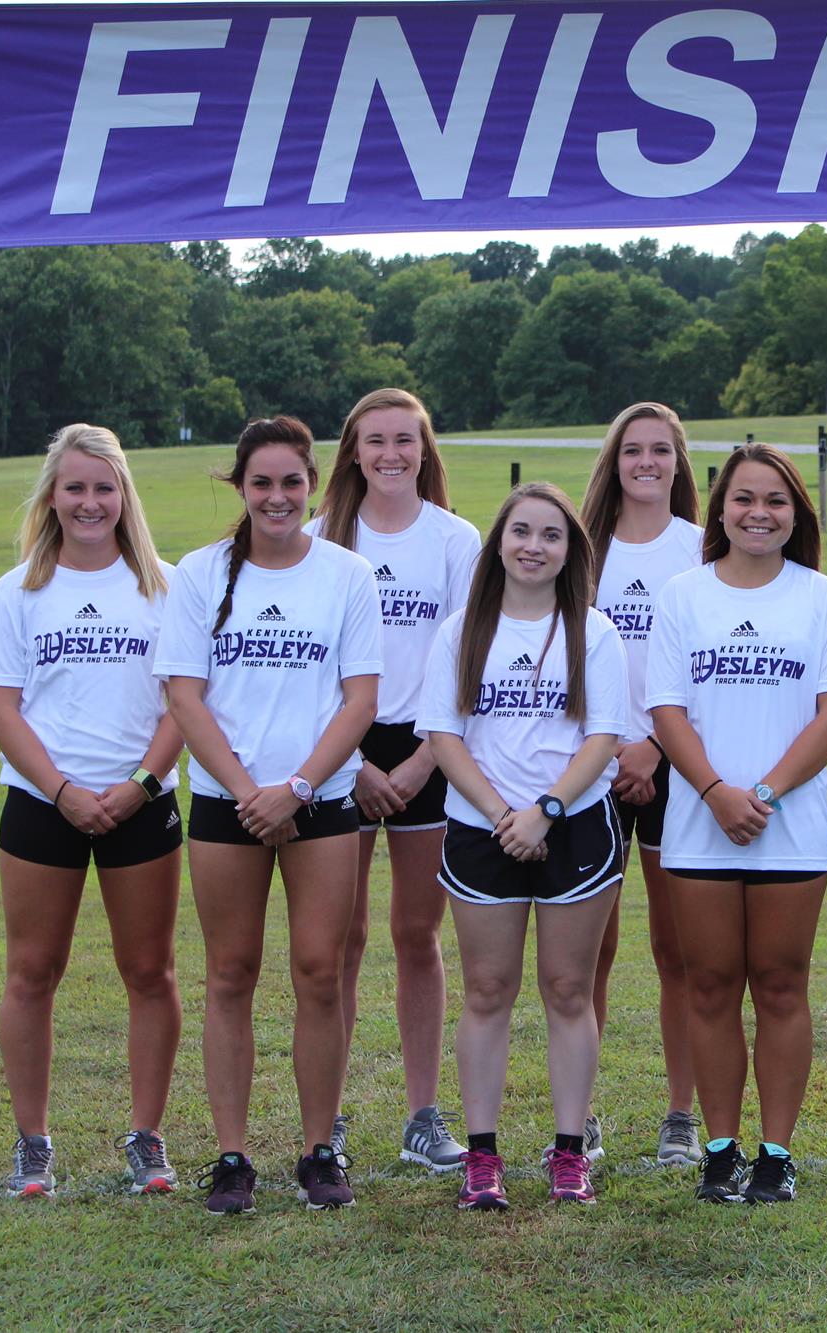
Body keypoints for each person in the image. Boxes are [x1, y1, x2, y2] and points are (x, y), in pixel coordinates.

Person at [155, 417, 383, 1214]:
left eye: (292, 482)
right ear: (241, 486)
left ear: (312, 485)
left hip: (320, 802)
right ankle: (232, 1156)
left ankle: (320, 1150)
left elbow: (360, 699)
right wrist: (252, 792)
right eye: (262, 482)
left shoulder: (348, 573)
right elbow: (185, 696)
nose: (277, 497)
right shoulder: (199, 572)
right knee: (230, 973)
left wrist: (299, 786)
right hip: (230, 804)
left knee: (320, 972)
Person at [646, 444, 827, 1204]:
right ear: (720, 509)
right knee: (708, 987)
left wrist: (762, 794)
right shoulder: (683, 595)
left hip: (789, 830)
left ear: (796, 512)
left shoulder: (824, 597)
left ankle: (775, 1153)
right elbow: (666, 710)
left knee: (780, 985)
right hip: (700, 826)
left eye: (775, 500)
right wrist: (715, 792)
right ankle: (720, 1149)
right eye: (744, 498)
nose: (758, 513)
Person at [0, 424, 184, 1199]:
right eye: (75, 487)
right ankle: (32, 1144)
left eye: (104, 487)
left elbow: (183, 702)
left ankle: (147, 1137)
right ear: (52, 496)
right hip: (42, 804)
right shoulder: (18, 591)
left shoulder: (165, 586)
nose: (90, 502)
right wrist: (62, 790)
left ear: (124, 495)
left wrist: (140, 783)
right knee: (32, 971)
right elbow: (1, 708)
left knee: (150, 971)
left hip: (142, 804)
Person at [418, 483, 629, 1210]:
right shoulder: (461, 631)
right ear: (499, 543)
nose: (534, 546)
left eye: (551, 535)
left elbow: (604, 736)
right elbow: (443, 735)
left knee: (569, 990)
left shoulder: (593, 631)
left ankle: (569, 1153)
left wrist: (545, 810)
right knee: (486, 991)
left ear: (571, 551)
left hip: (574, 828)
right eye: (521, 532)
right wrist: (503, 815)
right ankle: (482, 1158)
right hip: (484, 829)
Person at [309, 387, 481, 1173]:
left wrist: (420, 762)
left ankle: (421, 1115)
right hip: (339, 750)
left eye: (404, 439)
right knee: (338, 940)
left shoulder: (455, 539)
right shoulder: (318, 537)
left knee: (419, 935)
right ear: (352, 450)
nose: (390, 453)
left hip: (426, 750)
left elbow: (469, 657)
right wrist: (353, 765)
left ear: (424, 449)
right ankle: (329, 1117)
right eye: (374, 440)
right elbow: (309, 670)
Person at [580, 402, 704, 1167]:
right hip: (592, 770)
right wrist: (612, 749)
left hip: (674, 767)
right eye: (633, 450)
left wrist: (654, 747)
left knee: (676, 948)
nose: (647, 462)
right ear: (615, 460)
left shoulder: (701, 546)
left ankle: (681, 1115)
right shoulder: (582, 545)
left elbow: (705, 665)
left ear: (678, 461)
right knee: (590, 950)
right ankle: (580, 1114)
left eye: (661, 449)